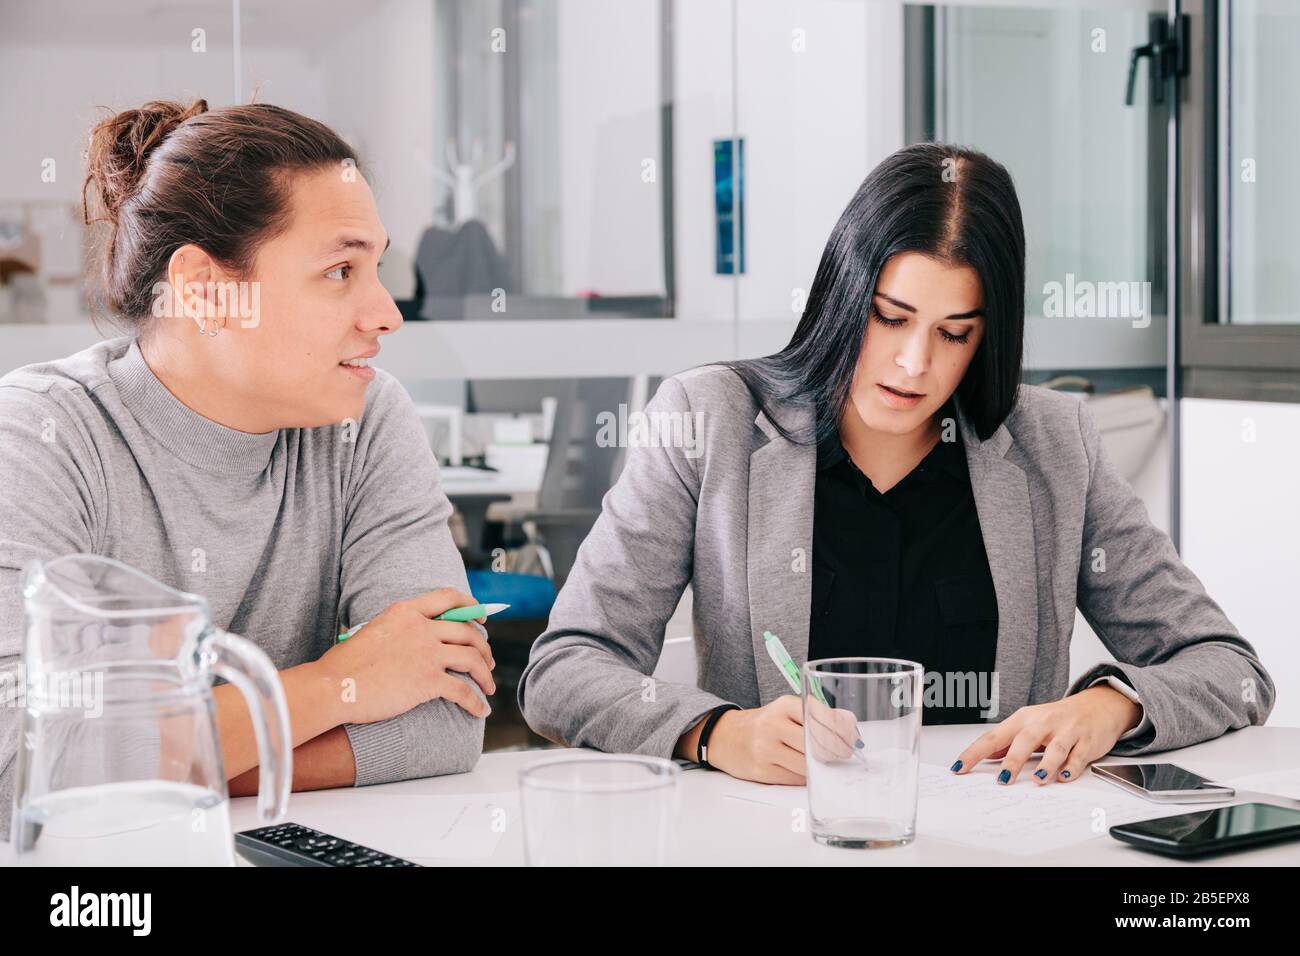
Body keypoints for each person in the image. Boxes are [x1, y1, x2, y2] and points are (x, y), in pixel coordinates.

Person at [519, 142, 1274, 788]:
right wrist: (715, 732)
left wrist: (1114, 703)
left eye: (955, 333)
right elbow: (564, 671)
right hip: (778, 838)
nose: (914, 364)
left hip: (998, 837)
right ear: (843, 297)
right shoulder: (708, 419)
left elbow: (1228, 668)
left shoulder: (1052, 443)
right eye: (891, 318)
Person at [0, 99, 496, 838]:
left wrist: (154, 758)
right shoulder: (42, 435)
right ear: (204, 288)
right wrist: (337, 686)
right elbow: (21, 760)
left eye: (376, 267)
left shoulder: (365, 419)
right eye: (339, 270)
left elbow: (445, 721)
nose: (386, 312)